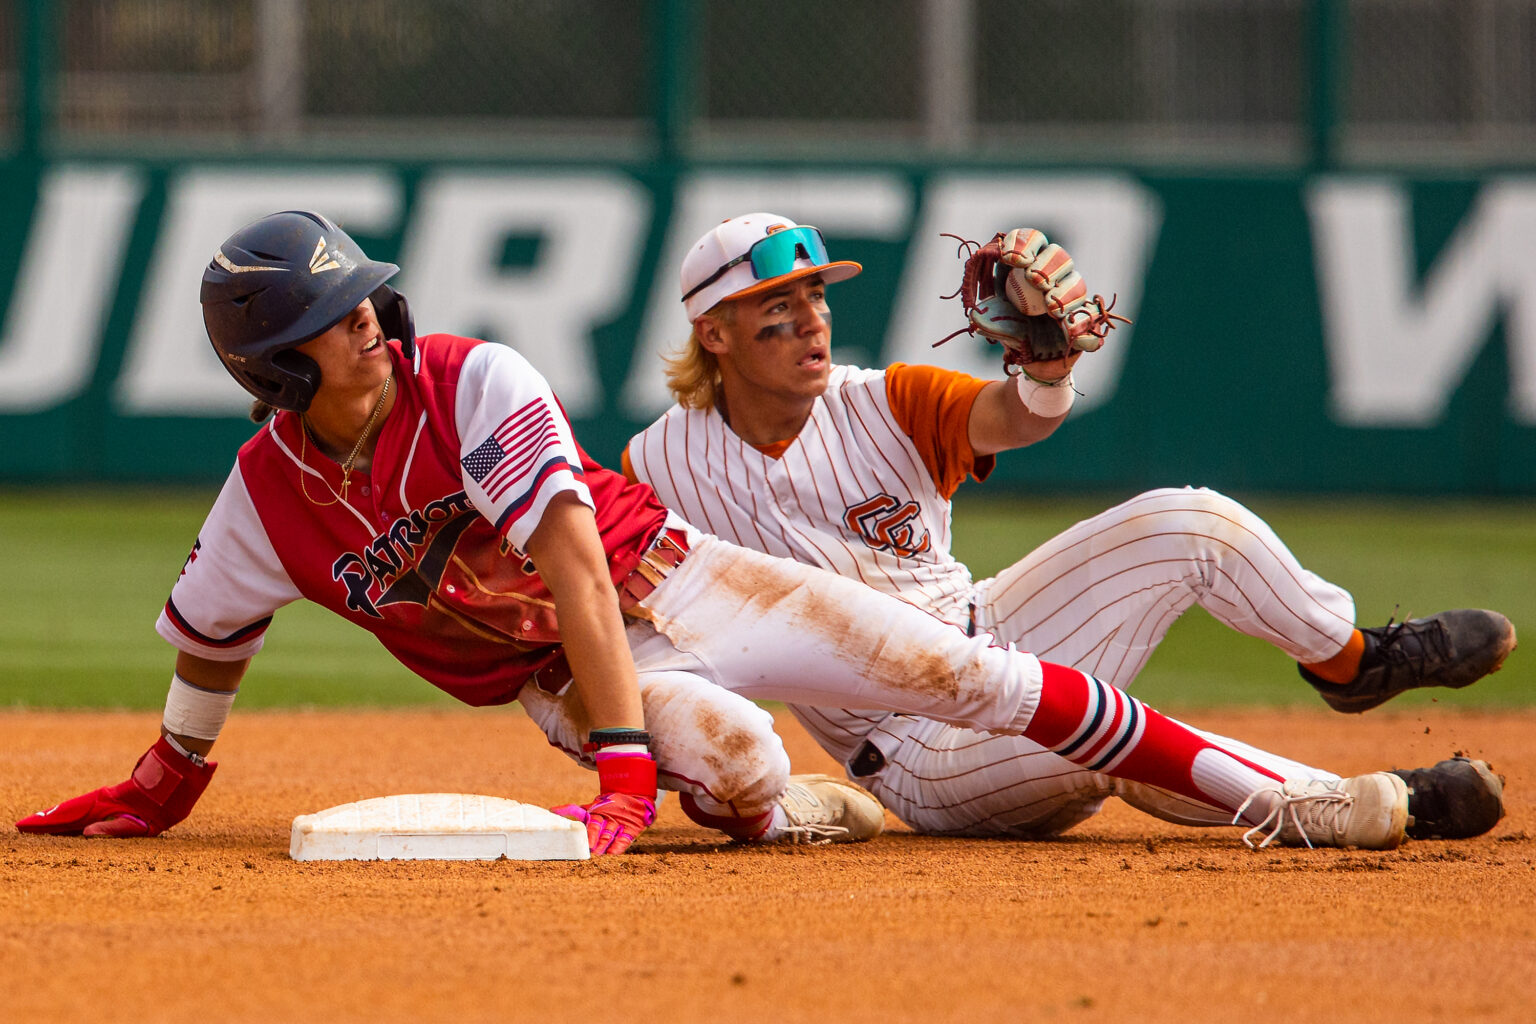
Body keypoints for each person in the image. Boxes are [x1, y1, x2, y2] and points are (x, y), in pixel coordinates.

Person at [12, 211, 1433, 857]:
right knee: (746, 758)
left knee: (974, 677)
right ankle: (773, 814)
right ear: (278, 371)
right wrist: (167, 774)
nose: (374, 325)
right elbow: (211, 637)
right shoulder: (264, 506)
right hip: (569, 673)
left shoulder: (472, 375)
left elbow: (575, 560)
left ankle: (1307, 803)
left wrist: (621, 774)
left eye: (371, 299)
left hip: (669, 580)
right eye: (338, 323)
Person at [623, 211, 1514, 841]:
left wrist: (1048, 369)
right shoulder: (656, 468)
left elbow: (1018, 419)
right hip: (914, 752)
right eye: (779, 307)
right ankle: (1375, 806)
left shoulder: (884, 400)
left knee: (1188, 520)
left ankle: (1351, 661)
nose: (812, 320)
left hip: (989, 630)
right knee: (1096, 738)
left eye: (817, 296)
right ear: (717, 334)